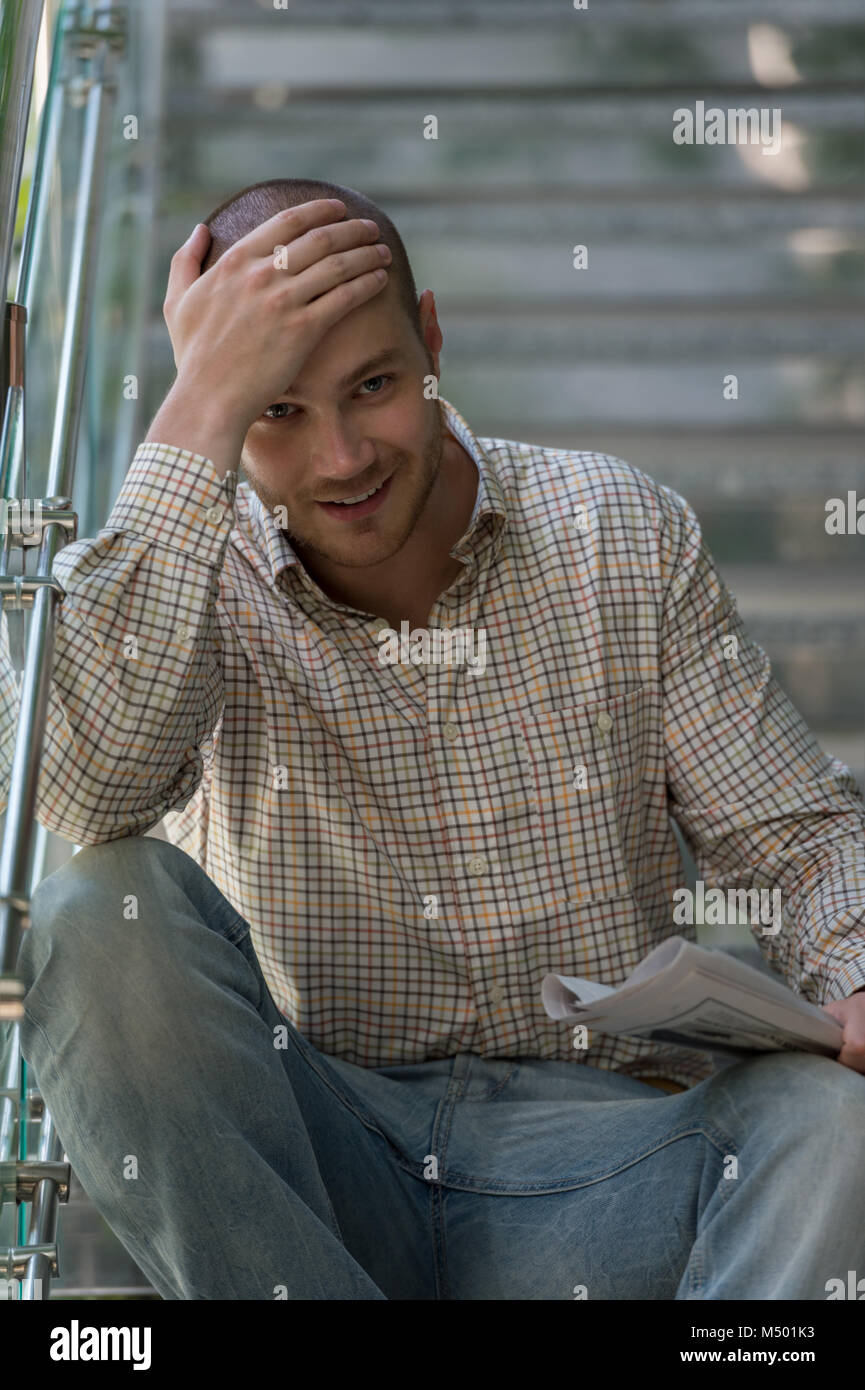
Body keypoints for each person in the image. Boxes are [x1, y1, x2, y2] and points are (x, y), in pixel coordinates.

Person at [16, 178, 865, 1301]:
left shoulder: (618, 530)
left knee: (830, 1121)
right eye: (277, 408)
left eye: (372, 386)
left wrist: (855, 974)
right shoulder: (175, 568)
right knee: (93, 908)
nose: (340, 459)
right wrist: (195, 415)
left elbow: (795, 842)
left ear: (428, 337)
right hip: (317, 1165)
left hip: (608, 1167)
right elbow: (84, 795)